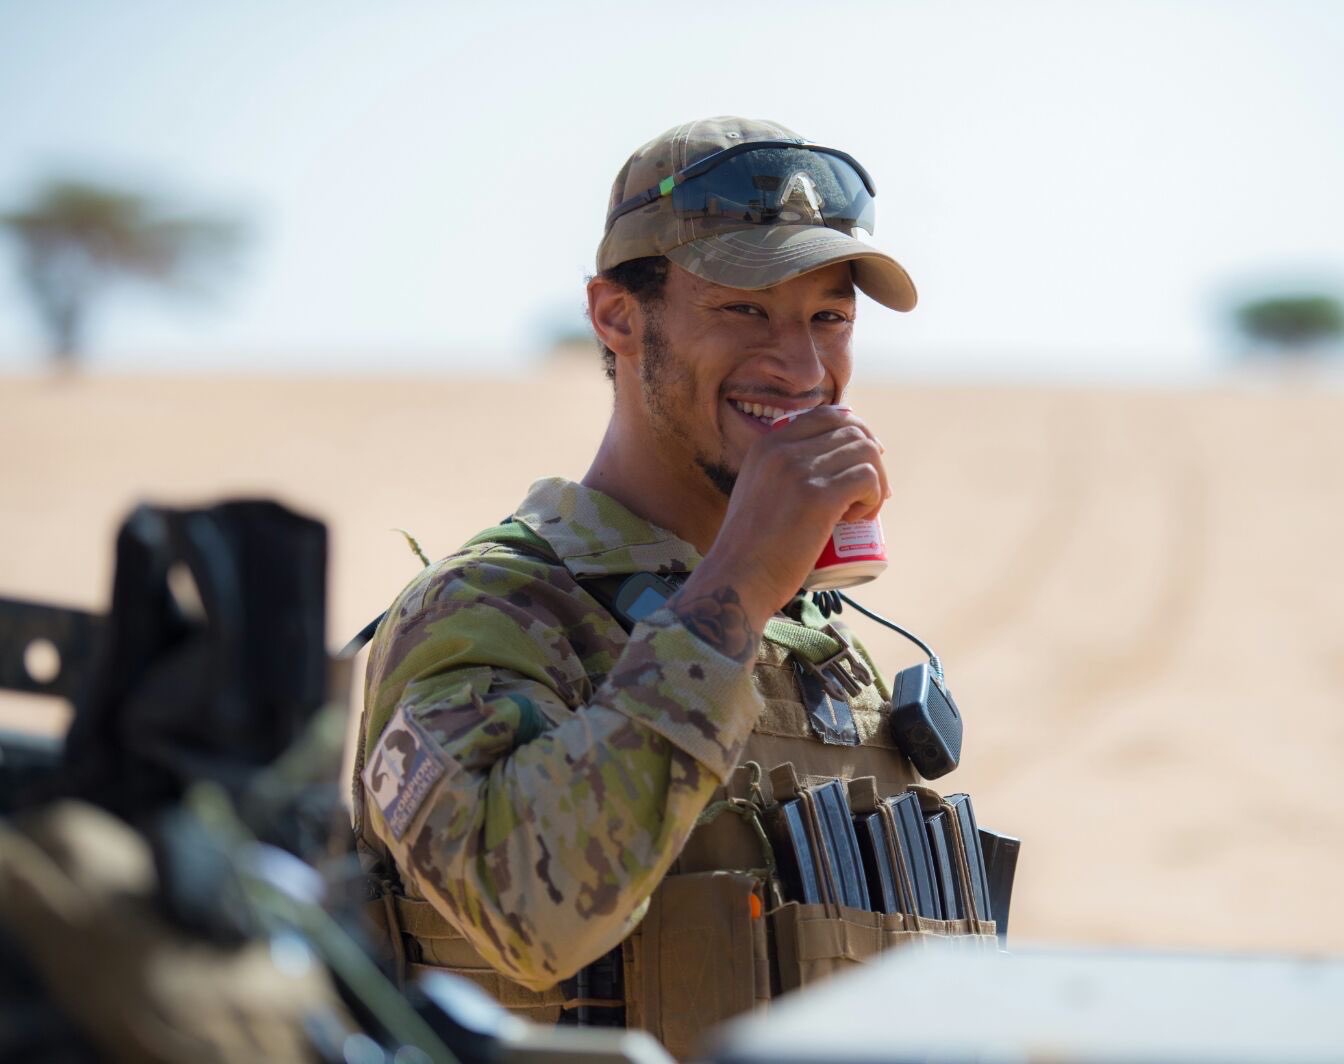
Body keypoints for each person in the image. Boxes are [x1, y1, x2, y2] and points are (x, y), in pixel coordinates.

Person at [352, 116, 987, 1055]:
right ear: (617, 316)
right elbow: (527, 915)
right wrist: (740, 579)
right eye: (745, 310)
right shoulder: (489, 613)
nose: (804, 368)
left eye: (829, 317)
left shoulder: (816, 640)